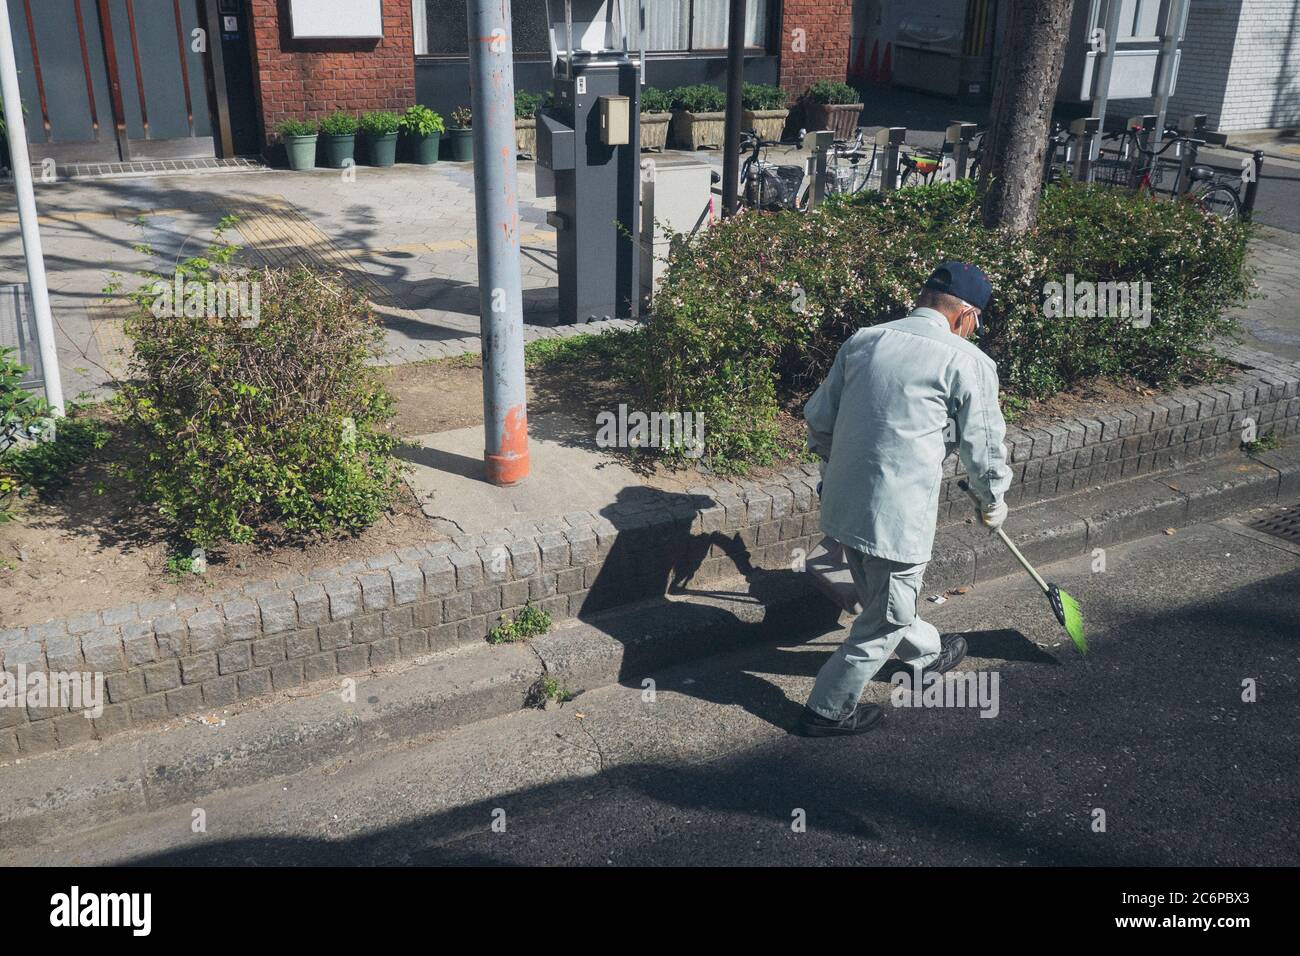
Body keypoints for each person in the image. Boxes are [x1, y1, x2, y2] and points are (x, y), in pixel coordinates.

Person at [797, 262, 1012, 737]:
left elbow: (819, 417)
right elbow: (985, 446)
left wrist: (835, 469)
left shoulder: (866, 339)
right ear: (966, 316)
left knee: (882, 594)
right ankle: (826, 709)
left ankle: (926, 655)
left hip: (842, 502)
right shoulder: (967, 361)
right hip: (896, 516)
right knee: (884, 619)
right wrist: (992, 497)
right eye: (978, 323)